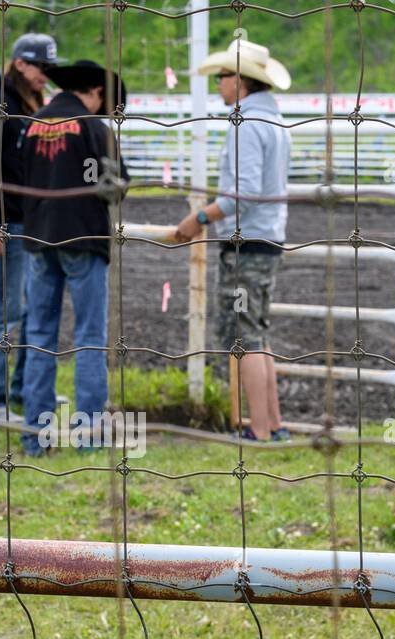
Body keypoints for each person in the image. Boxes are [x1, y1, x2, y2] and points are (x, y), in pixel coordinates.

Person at [173, 39, 292, 442]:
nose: (219, 84)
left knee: (243, 336)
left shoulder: (247, 126)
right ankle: (272, 424)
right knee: (257, 333)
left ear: (240, 81)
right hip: (267, 236)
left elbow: (242, 193)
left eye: (223, 77)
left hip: (247, 240)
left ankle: (258, 430)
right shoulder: (274, 122)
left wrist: (199, 217)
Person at [19, 59, 129, 456]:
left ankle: (35, 436)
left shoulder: (31, 125)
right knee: (88, 338)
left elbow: (15, 180)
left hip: (38, 239)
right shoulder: (93, 128)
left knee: (40, 337)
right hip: (84, 240)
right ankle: (91, 434)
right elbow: (116, 186)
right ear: (96, 92)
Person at [0, 33, 60, 421]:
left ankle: (18, 391)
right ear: (20, 63)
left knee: (31, 310)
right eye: (42, 67)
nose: (46, 75)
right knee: (6, 311)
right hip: (11, 223)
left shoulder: (27, 104)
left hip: (31, 222)